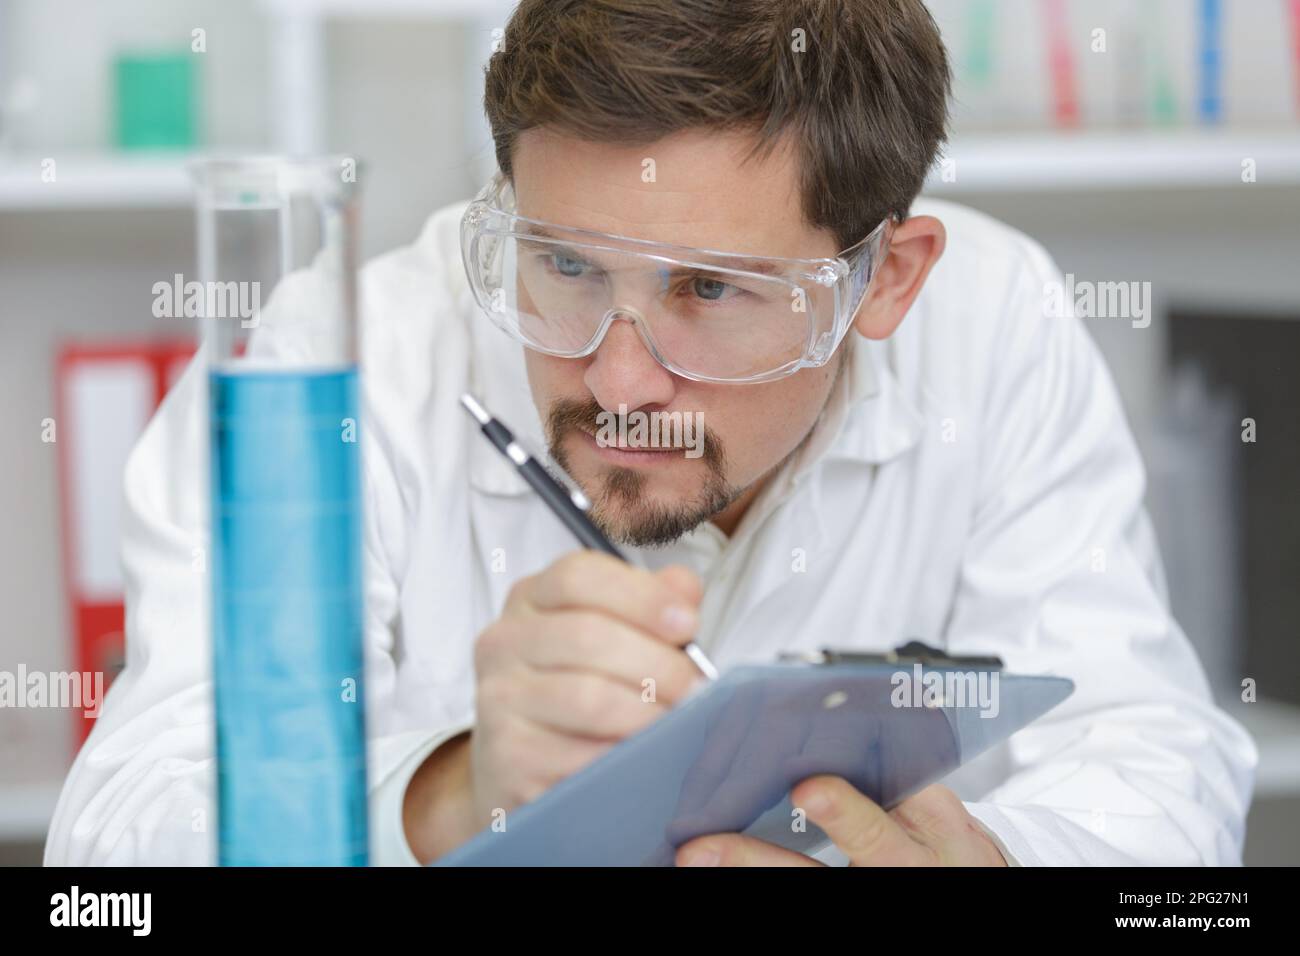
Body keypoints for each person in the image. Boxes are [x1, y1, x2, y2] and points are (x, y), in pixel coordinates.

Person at [46, 0, 1255, 867]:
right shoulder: (330, 362)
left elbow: (1148, 750)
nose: (618, 378)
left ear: (884, 278)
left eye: (709, 289)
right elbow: (108, 857)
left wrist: (996, 860)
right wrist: (448, 795)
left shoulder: (992, 322)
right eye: (566, 266)